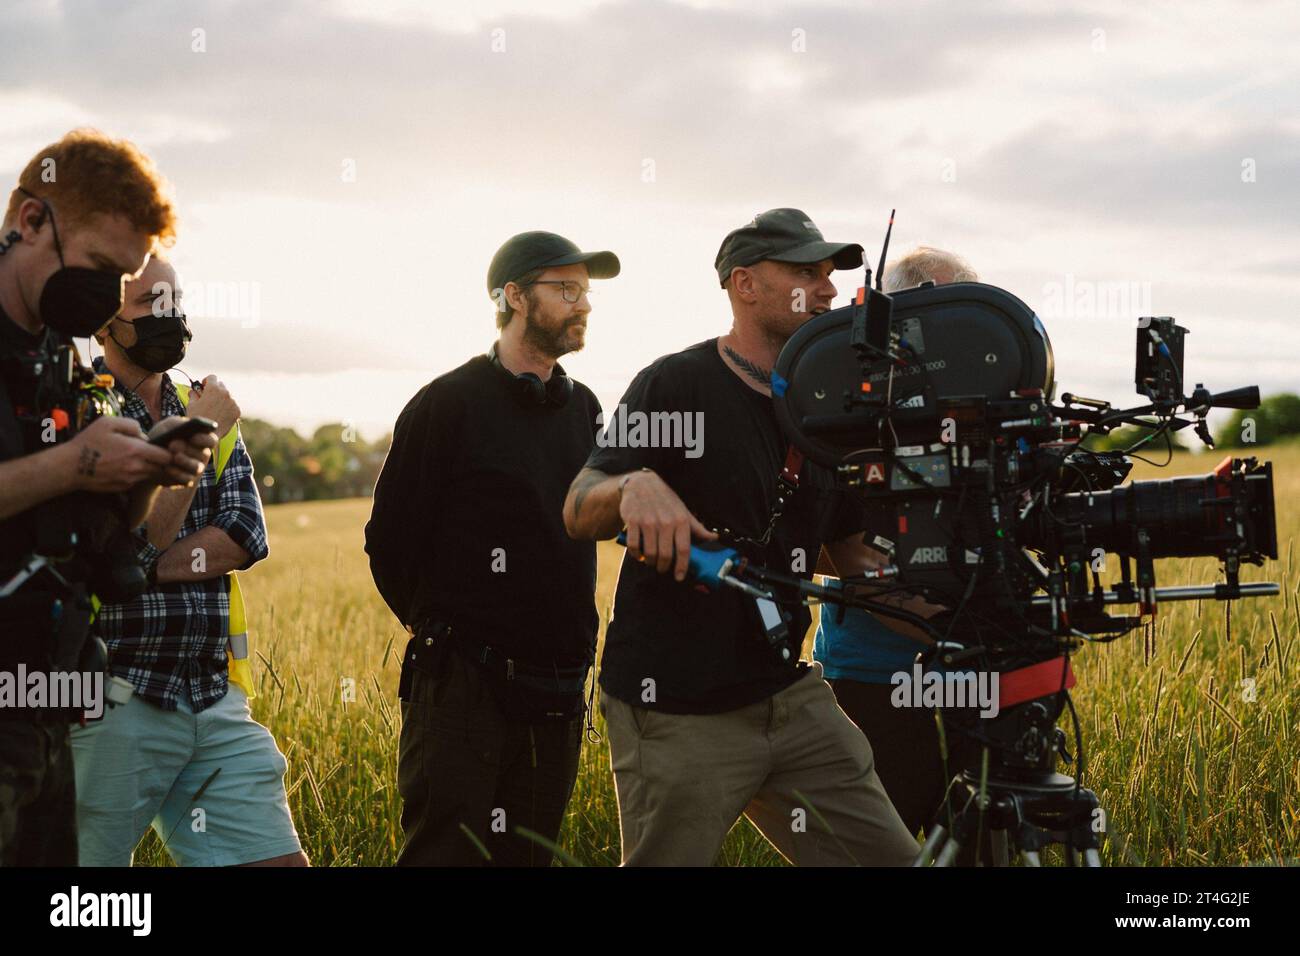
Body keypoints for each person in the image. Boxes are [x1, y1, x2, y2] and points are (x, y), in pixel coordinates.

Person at [564, 208, 935, 867]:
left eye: (828, 275)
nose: (825, 289)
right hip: (676, 707)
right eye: (803, 272)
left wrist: (970, 615)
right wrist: (631, 486)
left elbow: (850, 553)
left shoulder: (826, 410)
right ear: (745, 284)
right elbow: (578, 506)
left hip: (791, 697)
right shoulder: (677, 384)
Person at [366, 230, 619, 866]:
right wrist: (448, 634)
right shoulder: (446, 404)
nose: (581, 303)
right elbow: (389, 543)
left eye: (584, 292)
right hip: (463, 687)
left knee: (529, 857)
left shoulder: (584, 406)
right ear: (512, 296)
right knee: (444, 856)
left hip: (559, 685)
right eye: (564, 289)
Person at [0, 129, 216, 866]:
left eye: (120, 282)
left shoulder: (59, 357)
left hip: (45, 703)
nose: (103, 299)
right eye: (96, 267)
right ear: (30, 220)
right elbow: (66, 474)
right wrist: (72, 467)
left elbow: (107, 539)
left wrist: (150, 470)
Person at [68, 255, 307, 867]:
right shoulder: (83, 411)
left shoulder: (204, 402)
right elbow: (136, 537)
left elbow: (244, 536)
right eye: (150, 303)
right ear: (103, 323)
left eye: (176, 300)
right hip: (113, 698)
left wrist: (137, 569)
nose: (169, 315)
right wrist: (200, 433)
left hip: (212, 695)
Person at [815, 244, 988, 857]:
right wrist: (963, 629)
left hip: (977, 677)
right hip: (874, 679)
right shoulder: (848, 407)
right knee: (881, 848)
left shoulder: (986, 407)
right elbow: (850, 559)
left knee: (985, 842)